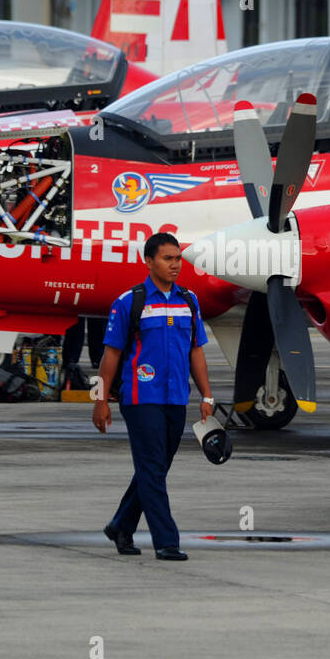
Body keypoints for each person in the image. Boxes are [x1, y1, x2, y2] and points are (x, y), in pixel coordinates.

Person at [93, 233, 214, 561]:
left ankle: (121, 525)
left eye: (177, 258)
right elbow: (111, 356)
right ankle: (166, 540)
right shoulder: (129, 302)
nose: (175, 265)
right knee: (151, 465)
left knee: (155, 468)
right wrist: (101, 400)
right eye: (167, 259)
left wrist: (207, 396)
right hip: (139, 397)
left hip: (176, 398)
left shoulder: (189, 301)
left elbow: (196, 351)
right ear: (149, 261)